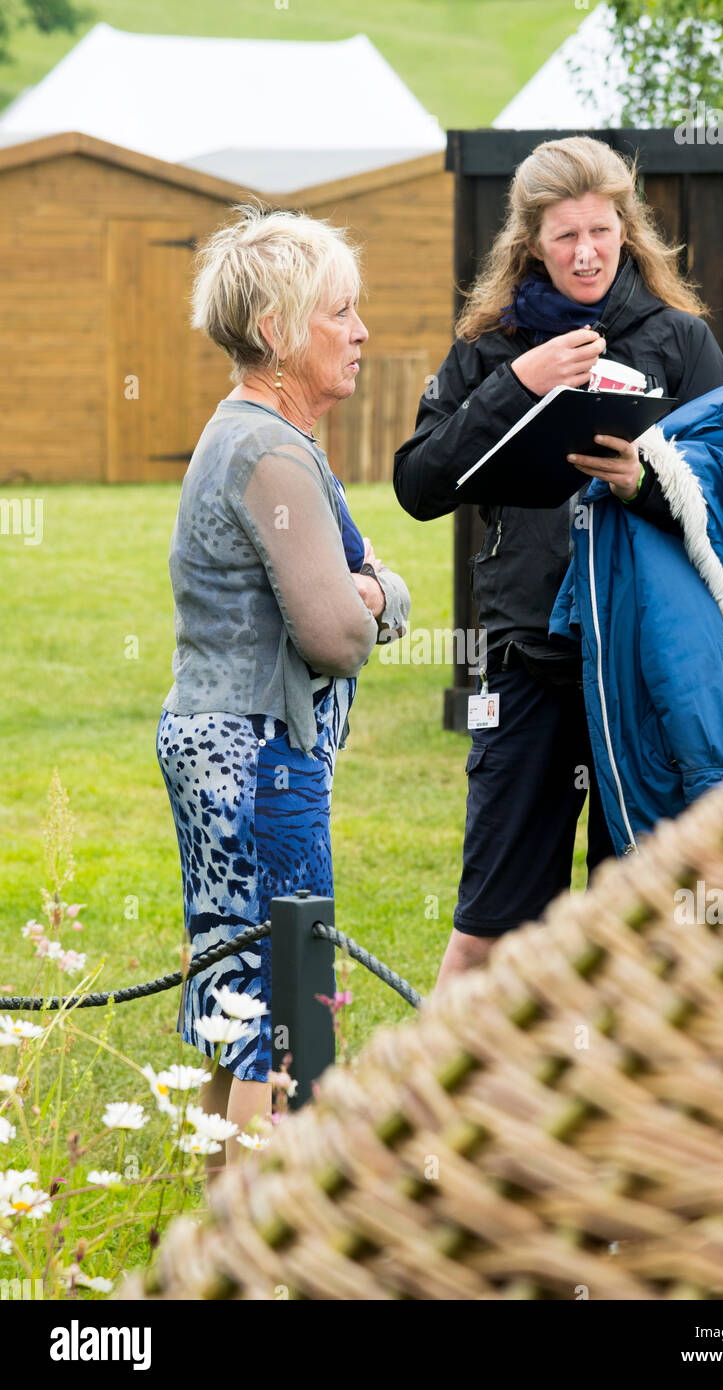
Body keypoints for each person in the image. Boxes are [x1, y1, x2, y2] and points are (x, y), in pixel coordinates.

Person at [394, 135, 723, 990]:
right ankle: (435, 1117)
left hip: (640, 673)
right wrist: (522, 384)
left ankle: (624, 1120)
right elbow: (419, 483)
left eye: (601, 232)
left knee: (638, 928)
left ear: (627, 230)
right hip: (523, 668)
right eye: (564, 237)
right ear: (530, 244)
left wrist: (646, 483)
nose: (586, 253)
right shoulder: (492, 347)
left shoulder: (680, 342)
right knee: (490, 929)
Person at [157, 206, 410, 1172]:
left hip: (221, 749)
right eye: (339, 313)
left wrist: (366, 590)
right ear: (277, 333)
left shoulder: (253, 437)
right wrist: (383, 592)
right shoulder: (269, 452)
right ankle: (267, 1239)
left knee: (238, 1008)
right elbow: (336, 635)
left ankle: (222, 1233)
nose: (360, 332)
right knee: (281, 1006)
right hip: (261, 761)